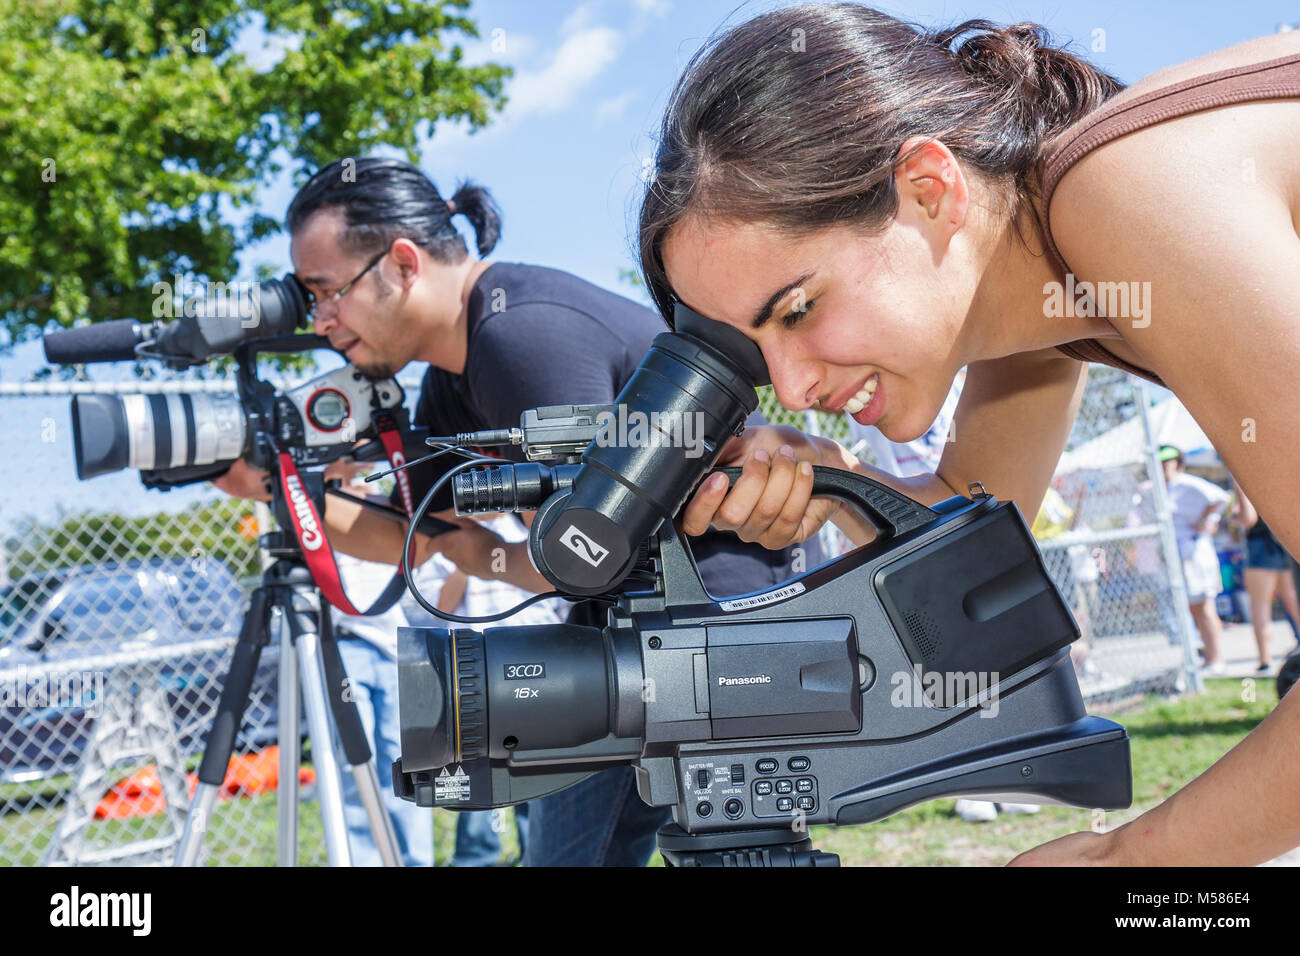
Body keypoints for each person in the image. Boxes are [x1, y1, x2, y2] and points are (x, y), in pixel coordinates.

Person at [637, 5, 1300, 865]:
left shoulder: (1127, 188)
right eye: (762, 358)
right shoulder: (1043, 304)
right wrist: (832, 479)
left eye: (799, 309)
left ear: (929, 188)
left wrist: (1134, 863)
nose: (795, 388)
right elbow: (973, 519)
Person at [215, 156, 812, 866]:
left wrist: (481, 555)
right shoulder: (455, 372)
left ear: (401, 263)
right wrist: (274, 480)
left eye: (326, 292)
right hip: (633, 631)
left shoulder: (517, 336)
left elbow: (581, 557)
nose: (321, 322)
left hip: (715, 621)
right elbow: (418, 536)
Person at [1133, 446, 1231, 672]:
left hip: (1193, 553)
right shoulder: (1151, 490)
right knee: (1188, 609)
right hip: (1171, 556)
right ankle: (1204, 657)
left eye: (1168, 462)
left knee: (1204, 607)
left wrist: (1206, 521)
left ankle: (1215, 659)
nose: (1164, 467)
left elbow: (1220, 499)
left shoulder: (1188, 483)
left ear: (1178, 462)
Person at [1231, 478, 1300, 672]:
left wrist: (1233, 519)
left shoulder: (1242, 475)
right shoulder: (1274, 469)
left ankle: (1265, 660)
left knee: (1261, 607)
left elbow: (1248, 518)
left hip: (1261, 548)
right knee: (1294, 603)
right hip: (1285, 543)